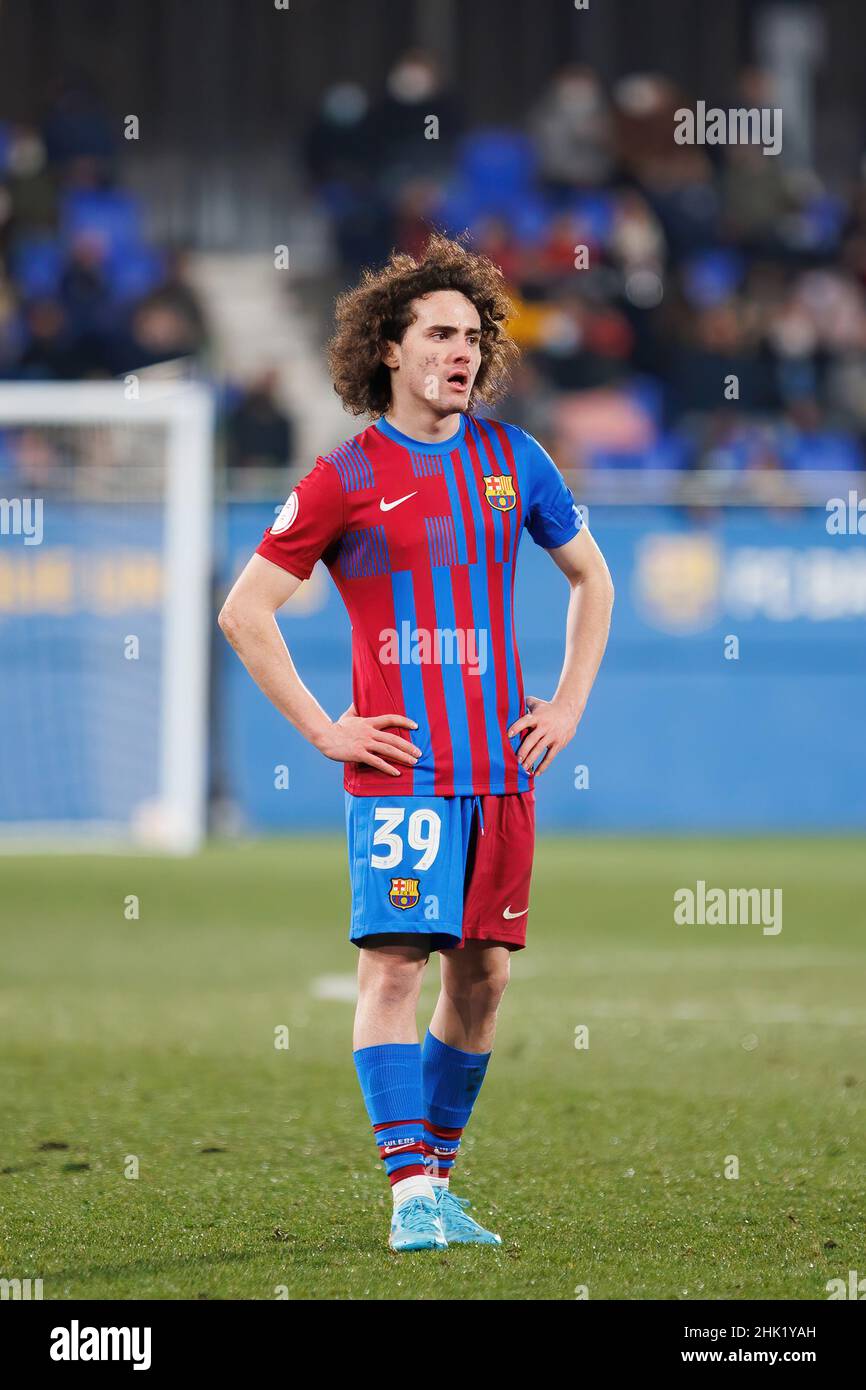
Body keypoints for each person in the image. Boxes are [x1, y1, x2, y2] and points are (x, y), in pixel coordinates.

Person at [218, 233, 614, 1253]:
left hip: (500, 773)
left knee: (480, 981)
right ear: (387, 349)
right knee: (392, 973)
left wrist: (565, 704)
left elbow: (592, 580)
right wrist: (322, 727)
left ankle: (434, 1181)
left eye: (474, 336)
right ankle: (407, 1198)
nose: (461, 351)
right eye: (439, 333)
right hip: (399, 773)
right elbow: (245, 611)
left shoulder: (514, 461)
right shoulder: (342, 476)